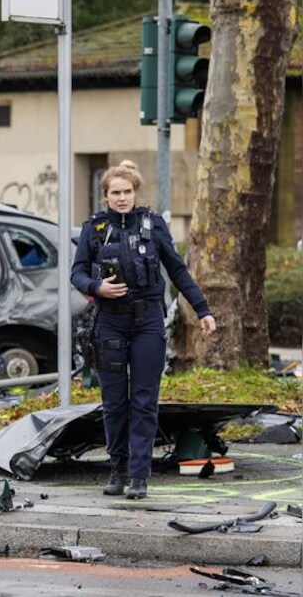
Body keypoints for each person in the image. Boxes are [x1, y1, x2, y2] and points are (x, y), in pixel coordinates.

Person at [70, 160, 216, 500]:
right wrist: (96, 287)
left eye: (127, 192)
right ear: (105, 195)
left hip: (148, 320)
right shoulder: (94, 228)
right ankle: (118, 469)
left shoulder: (153, 225)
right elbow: (76, 273)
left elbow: (178, 272)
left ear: (135, 193)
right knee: (114, 403)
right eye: (115, 193)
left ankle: (139, 476)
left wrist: (203, 310)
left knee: (144, 400)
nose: (122, 198)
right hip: (110, 322)